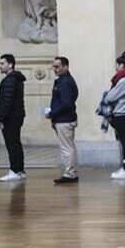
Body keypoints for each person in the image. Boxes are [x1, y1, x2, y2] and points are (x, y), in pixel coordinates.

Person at [102, 51, 125, 180]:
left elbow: (110, 97)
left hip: (121, 113)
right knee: (124, 141)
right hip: (123, 112)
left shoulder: (124, 81)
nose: (116, 68)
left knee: (124, 142)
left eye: (117, 65)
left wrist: (107, 95)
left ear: (122, 65)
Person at [46, 56, 79, 185]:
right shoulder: (64, 80)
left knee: (67, 148)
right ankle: (71, 172)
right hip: (64, 119)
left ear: (65, 67)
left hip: (64, 120)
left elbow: (66, 103)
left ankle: (70, 174)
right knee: (69, 147)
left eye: (57, 67)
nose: (55, 69)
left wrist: (52, 113)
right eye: (54, 67)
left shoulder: (65, 82)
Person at [0, 53, 27, 182]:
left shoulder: (10, 80)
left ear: (10, 64)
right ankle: (19, 170)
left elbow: (6, 101)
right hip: (16, 116)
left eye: (2, 63)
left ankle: (14, 171)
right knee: (16, 143)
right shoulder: (16, 79)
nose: (0, 66)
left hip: (11, 118)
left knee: (12, 144)